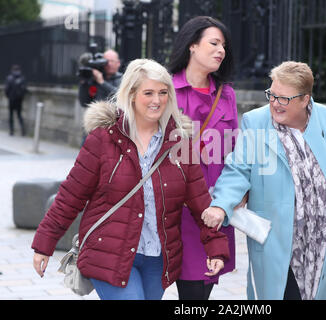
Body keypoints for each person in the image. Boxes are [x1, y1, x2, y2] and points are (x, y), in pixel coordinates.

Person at [31, 59, 229, 300]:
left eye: (163, 92)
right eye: (148, 93)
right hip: (109, 252)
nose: (157, 100)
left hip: (159, 258)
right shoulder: (103, 139)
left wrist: (216, 248)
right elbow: (70, 196)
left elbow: (201, 204)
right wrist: (44, 245)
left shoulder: (180, 142)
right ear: (132, 94)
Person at [201, 61, 326, 300]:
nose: (275, 104)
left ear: (305, 99)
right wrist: (220, 204)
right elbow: (238, 169)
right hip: (276, 243)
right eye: (272, 95)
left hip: (323, 245)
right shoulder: (256, 122)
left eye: (284, 99)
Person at [167, 16, 240, 300]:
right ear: (192, 46)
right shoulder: (165, 91)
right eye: (214, 43)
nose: (221, 50)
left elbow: (234, 152)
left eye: (224, 45)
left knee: (198, 292)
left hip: (212, 209)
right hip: (172, 210)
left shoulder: (227, 95)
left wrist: (237, 193)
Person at [5, 64, 27, 136]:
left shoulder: (9, 78)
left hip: (11, 99)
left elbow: (6, 90)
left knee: (11, 115)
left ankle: (11, 131)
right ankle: (23, 130)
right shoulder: (22, 78)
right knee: (19, 115)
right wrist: (21, 97)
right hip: (19, 100)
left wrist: (8, 96)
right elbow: (24, 89)